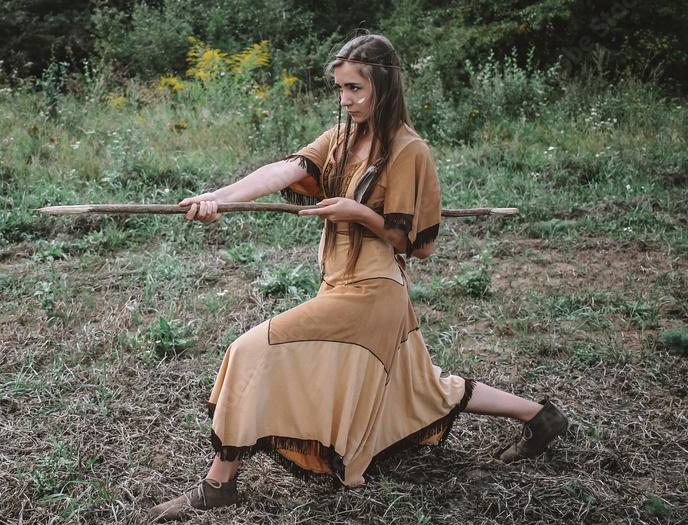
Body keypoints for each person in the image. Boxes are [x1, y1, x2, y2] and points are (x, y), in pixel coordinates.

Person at [149, 33, 568, 522]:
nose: (345, 100)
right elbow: (283, 171)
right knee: (424, 388)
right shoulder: (343, 139)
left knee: (250, 351)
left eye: (355, 89)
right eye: (340, 90)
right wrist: (219, 197)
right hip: (341, 283)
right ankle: (540, 417)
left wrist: (360, 213)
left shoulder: (410, 150)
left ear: (384, 87)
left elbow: (418, 243)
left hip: (373, 291)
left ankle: (218, 484)